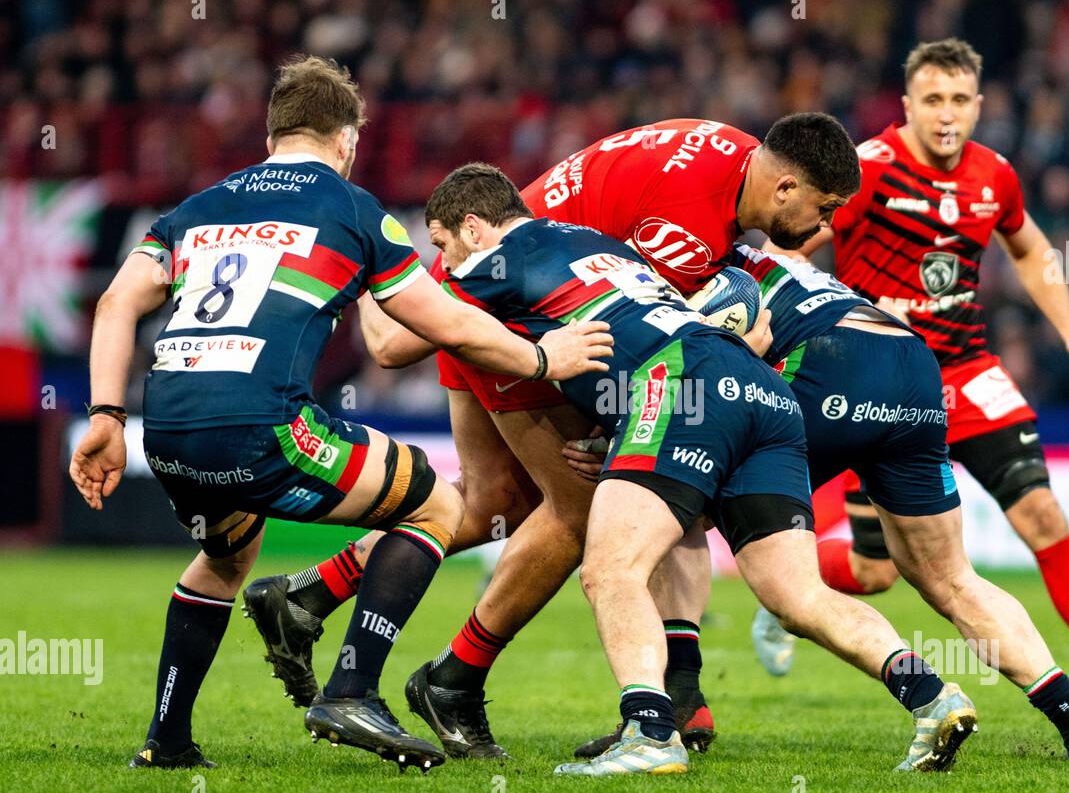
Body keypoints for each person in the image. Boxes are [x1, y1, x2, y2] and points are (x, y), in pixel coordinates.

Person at [244, 114, 860, 755]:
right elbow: (641, 334)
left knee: (495, 501)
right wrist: (377, 258)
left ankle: (313, 595)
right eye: (825, 209)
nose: (826, 228)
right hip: (524, 314)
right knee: (584, 509)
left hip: (526, 291)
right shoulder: (689, 222)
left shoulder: (725, 157)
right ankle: (458, 678)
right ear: (785, 186)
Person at [67, 57, 612, 772]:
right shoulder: (353, 209)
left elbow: (114, 303)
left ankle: (167, 741)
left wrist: (106, 417)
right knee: (435, 505)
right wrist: (544, 357)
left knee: (226, 555)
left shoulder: (194, 210)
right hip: (262, 426)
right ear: (347, 139)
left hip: (165, 428)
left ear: (271, 137)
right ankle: (352, 691)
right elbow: (445, 322)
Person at [405, 162, 981, 776]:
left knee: (612, 568)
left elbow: (397, 341)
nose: (443, 261)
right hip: (766, 392)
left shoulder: (502, 257)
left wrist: (374, 261)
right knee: (799, 596)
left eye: (442, 245)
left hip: (682, 385)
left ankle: (650, 734)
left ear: (473, 228)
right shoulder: (601, 244)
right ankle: (932, 696)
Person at [760, 39, 1069, 717]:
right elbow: (785, 249)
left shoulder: (995, 175)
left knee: (1043, 515)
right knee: (876, 571)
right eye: (932, 99)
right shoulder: (871, 169)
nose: (947, 114)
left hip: (967, 373)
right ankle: (790, 597)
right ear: (907, 105)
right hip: (883, 388)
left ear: (979, 105)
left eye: (960, 100)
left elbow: (1031, 248)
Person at [569, 249, 1069, 764]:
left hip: (825, 365)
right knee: (951, 578)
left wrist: (631, 443)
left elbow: (745, 337)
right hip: (910, 361)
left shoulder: (675, 262)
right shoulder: (758, 251)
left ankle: (681, 697)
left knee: (676, 497)